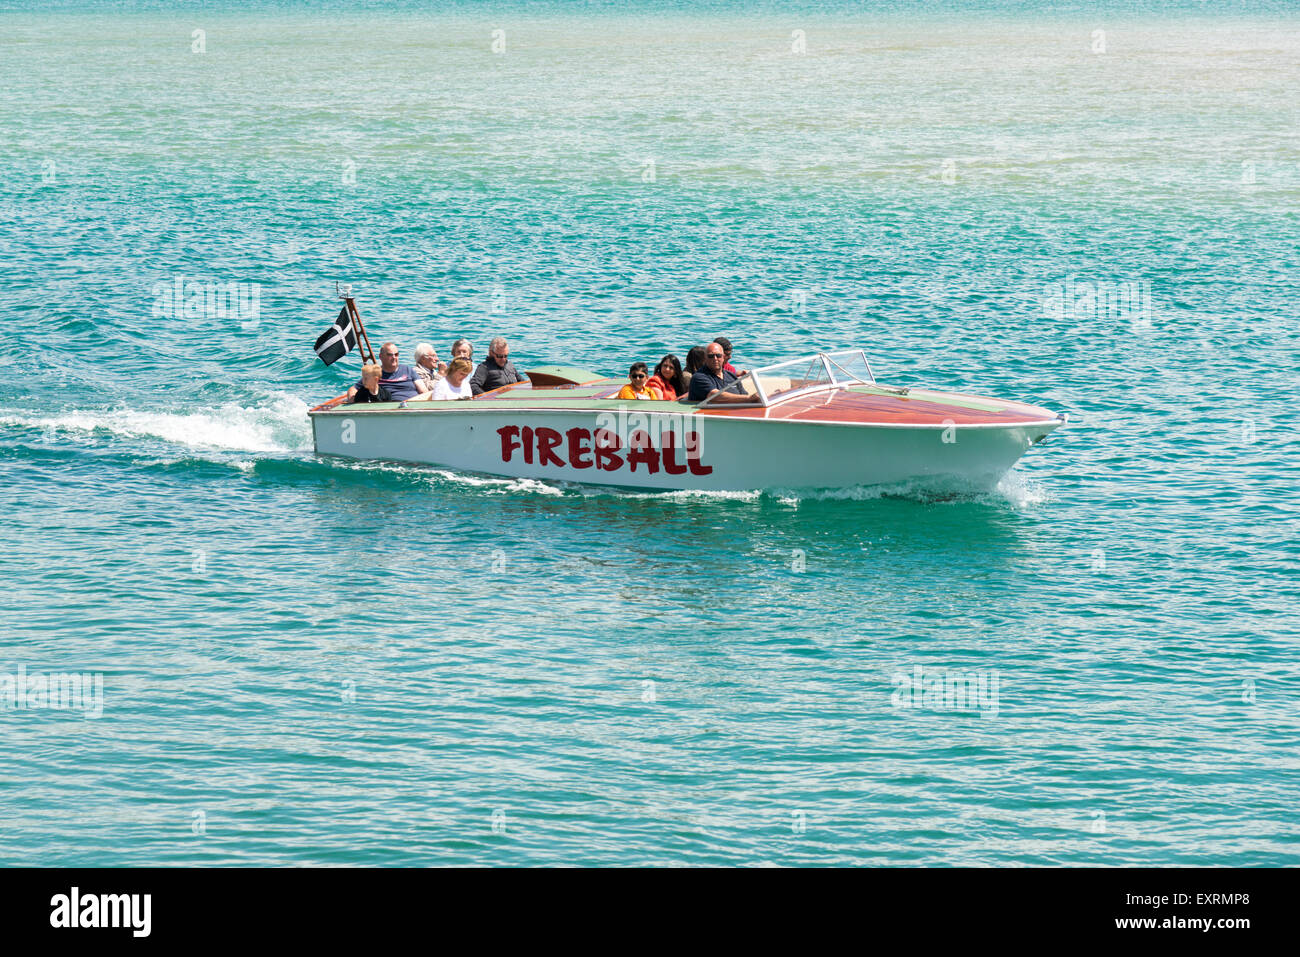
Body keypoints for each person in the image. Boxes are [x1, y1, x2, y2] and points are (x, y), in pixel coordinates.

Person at [346, 342, 427, 401]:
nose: (394, 357)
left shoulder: (408, 370)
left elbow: (423, 391)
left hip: (413, 404)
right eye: (390, 355)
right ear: (381, 357)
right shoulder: (375, 373)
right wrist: (353, 400)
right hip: (391, 407)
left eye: (396, 354)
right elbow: (353, 389)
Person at [685, 342, 761, 404]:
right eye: (711, 356)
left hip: (735, 414)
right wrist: (750, 398)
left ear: (723, 357)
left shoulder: (731, 375)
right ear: (705, 358)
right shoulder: (699, 377)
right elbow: (715, 396)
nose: (715, 359)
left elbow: (744, 395)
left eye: (718, 355)